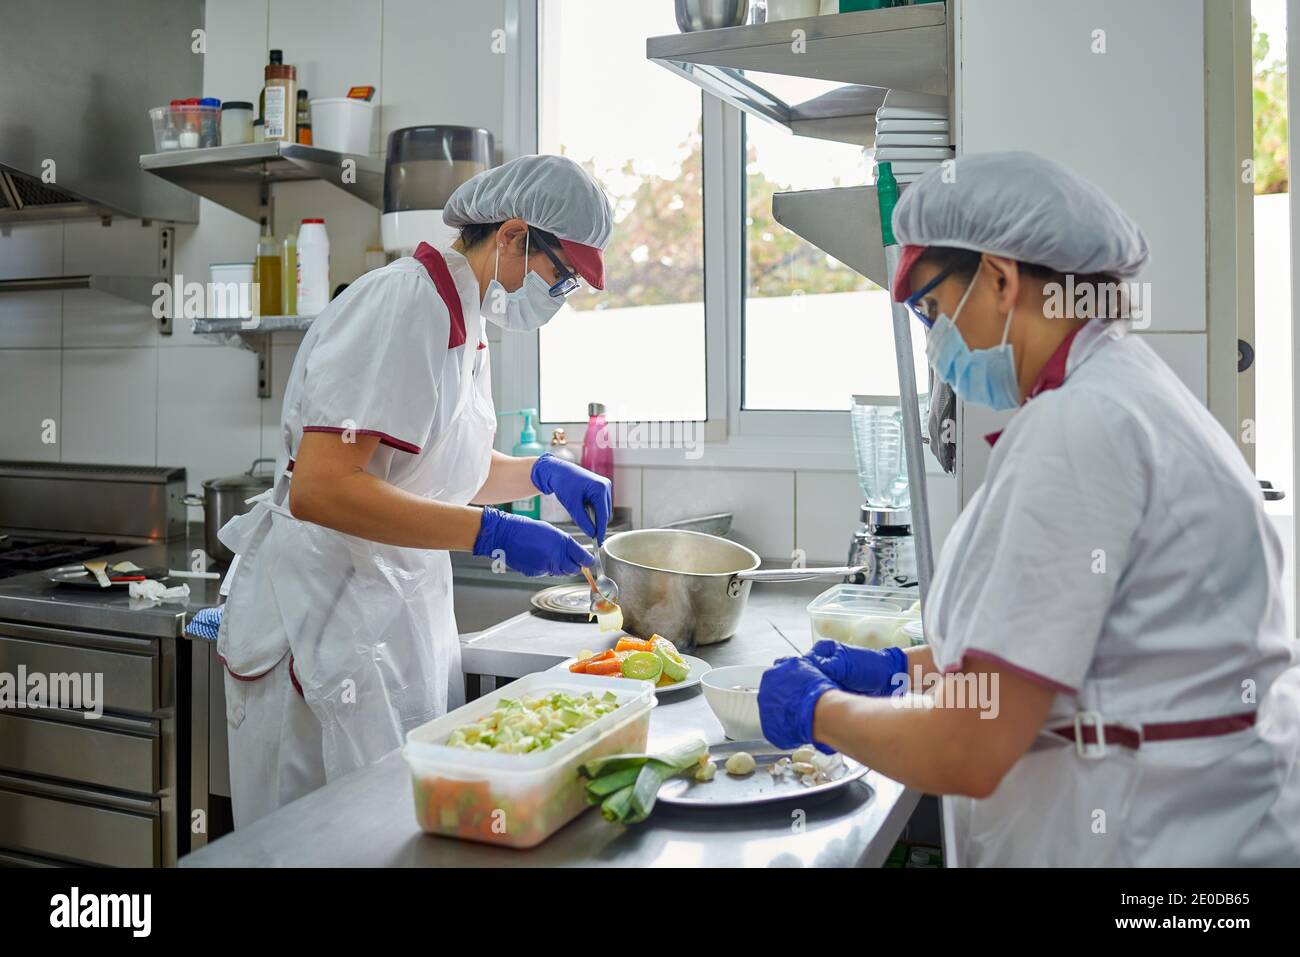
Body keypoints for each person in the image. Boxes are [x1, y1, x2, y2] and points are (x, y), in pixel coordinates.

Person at [759, 151, 1300, 866]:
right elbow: (1063, 655)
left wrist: (819, 712)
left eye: (931, 313)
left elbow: (972, 745)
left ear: (1001, 277)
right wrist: (898, 668)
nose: (936, 345)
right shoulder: (1122, 390)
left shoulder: (1081, 426)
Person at [217, 154, 615, 826]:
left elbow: (440, 468)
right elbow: (322, 486)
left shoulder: (464, 319)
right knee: (317, 841)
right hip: (318, 619)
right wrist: (491, 533)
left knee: (393, 831)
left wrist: (540, 475)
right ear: (516, 236)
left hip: (387, 612)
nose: (560, 293)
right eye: (563, 274)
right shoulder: (403, 302)